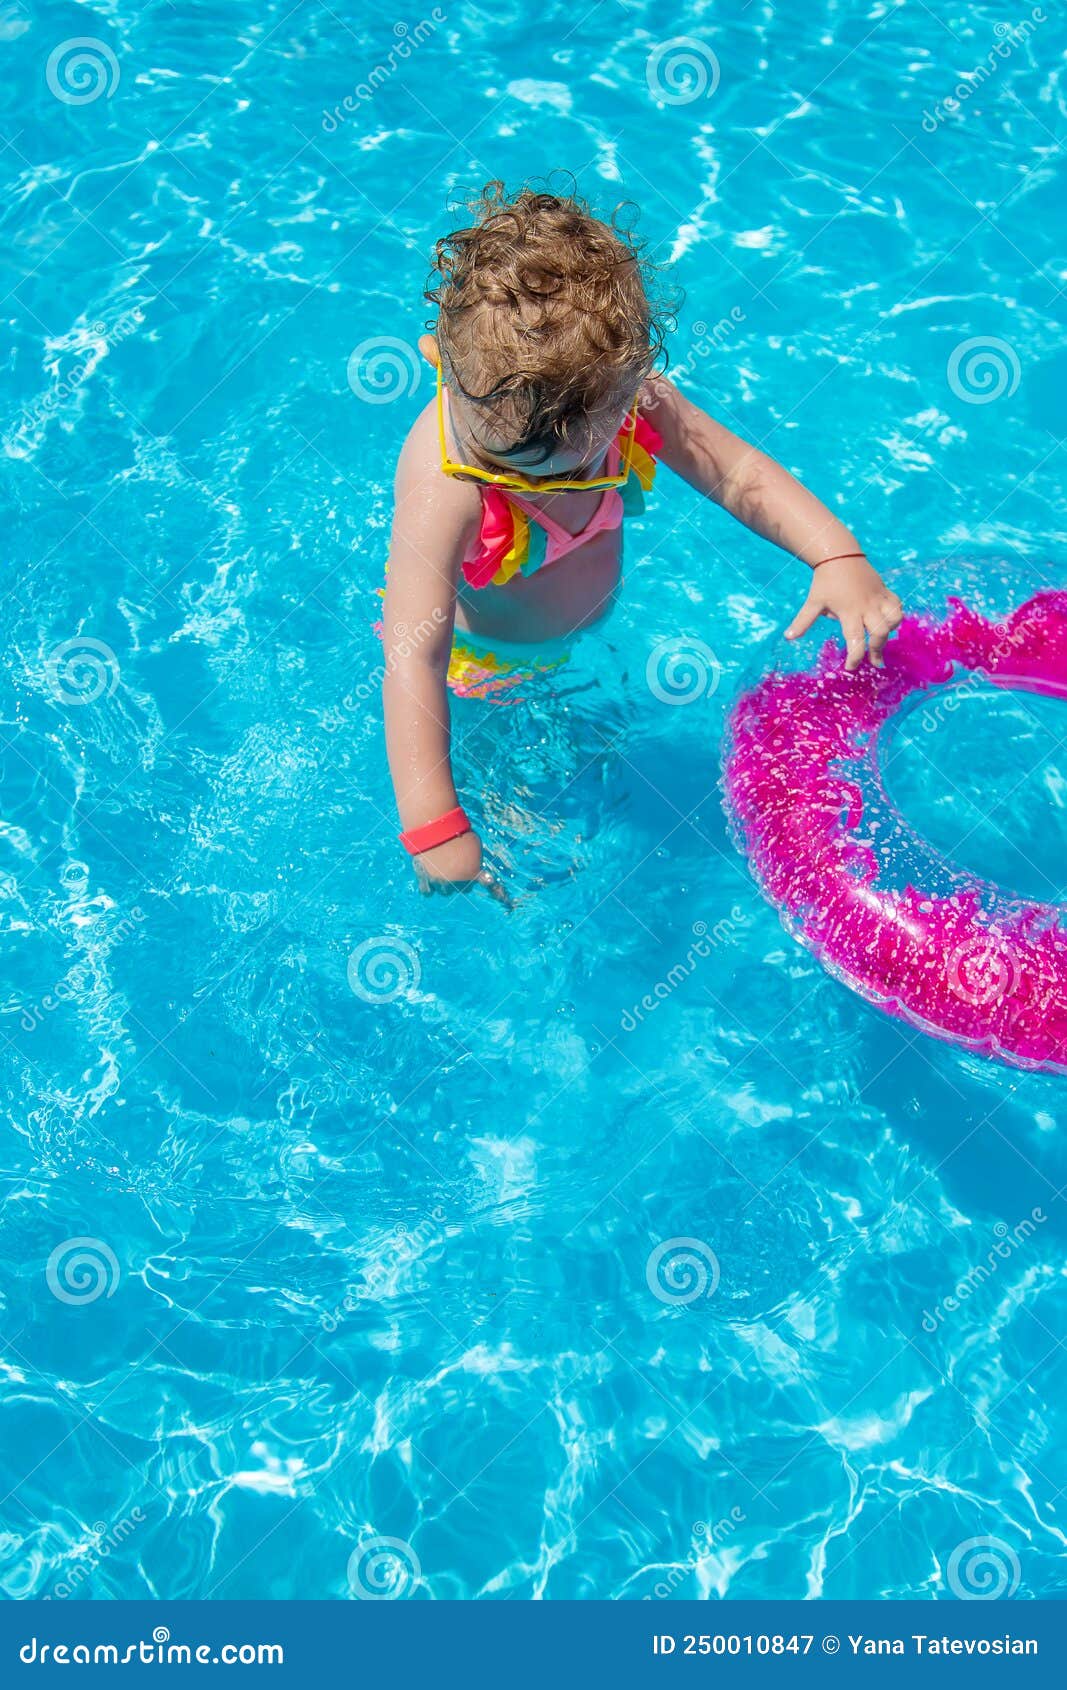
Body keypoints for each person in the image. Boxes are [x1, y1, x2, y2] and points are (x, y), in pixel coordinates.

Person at [382, 182, 903, 896]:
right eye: (504, 456)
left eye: (567, 463)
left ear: (626, 390)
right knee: (523, 805)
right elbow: (414, 659)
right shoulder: (446, 487)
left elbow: (735, 471)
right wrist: (434, 823)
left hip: (580, 632)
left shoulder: (625, 400)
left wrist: (834, 554)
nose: (524, 474)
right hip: (488, 668)